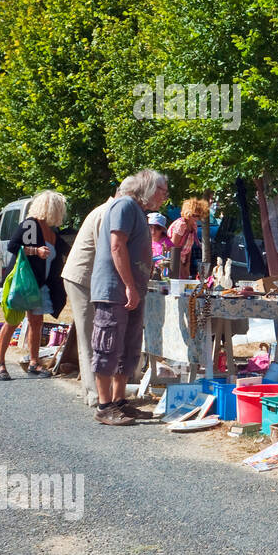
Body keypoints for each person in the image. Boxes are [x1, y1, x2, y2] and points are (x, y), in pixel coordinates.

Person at [90, 169, 169, 426]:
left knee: (129, 347)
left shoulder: (136, 210)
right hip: (115, 289)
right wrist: (128, 286)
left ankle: (119, 401)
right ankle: (104, 406)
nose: (165, 196)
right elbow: (117, 246)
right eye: (162, 190)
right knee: (108, 344)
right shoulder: (124, 205)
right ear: (147, 187)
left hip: (131, 289)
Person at [0, 191, 70, 381]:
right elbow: (12, 246)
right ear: (50, 209)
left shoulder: (52, 231)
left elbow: (65, 250)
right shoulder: (31, 224)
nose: (62, 213)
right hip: (23, 283)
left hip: (40, 285)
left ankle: (34, 363)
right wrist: (35, 250)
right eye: (59, 208)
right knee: (12, 321)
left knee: (36, 322)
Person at [62, 195, 113, 404]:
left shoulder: (109, 210)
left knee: (93, 335)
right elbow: (109, 252)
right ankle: (94, 394)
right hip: (81, 279)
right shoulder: (106, 213)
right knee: (88, 336)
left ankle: (95, 389)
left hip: (90, 278)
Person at [166, 197, 208, 279]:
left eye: (198, 216)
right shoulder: (181, 224)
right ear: (187, 213)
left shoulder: (194, 225)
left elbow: (189, 247)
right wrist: (182, 268)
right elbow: (173, 248)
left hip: (183, 260)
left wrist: (187, 264)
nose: (196, 218)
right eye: (194, 215)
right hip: (173, 261)